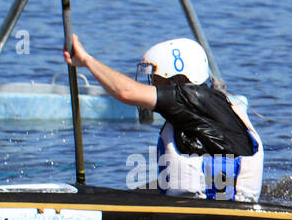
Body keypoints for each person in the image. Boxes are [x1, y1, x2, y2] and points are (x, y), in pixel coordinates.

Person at [63, 35, 263, 201]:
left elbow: (125, 92)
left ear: (178, 78)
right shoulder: (206, 105)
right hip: (211, 206)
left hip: (220, 213)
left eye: (155, 76)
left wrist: (87, 61)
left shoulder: (189, 97)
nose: (151, 83)